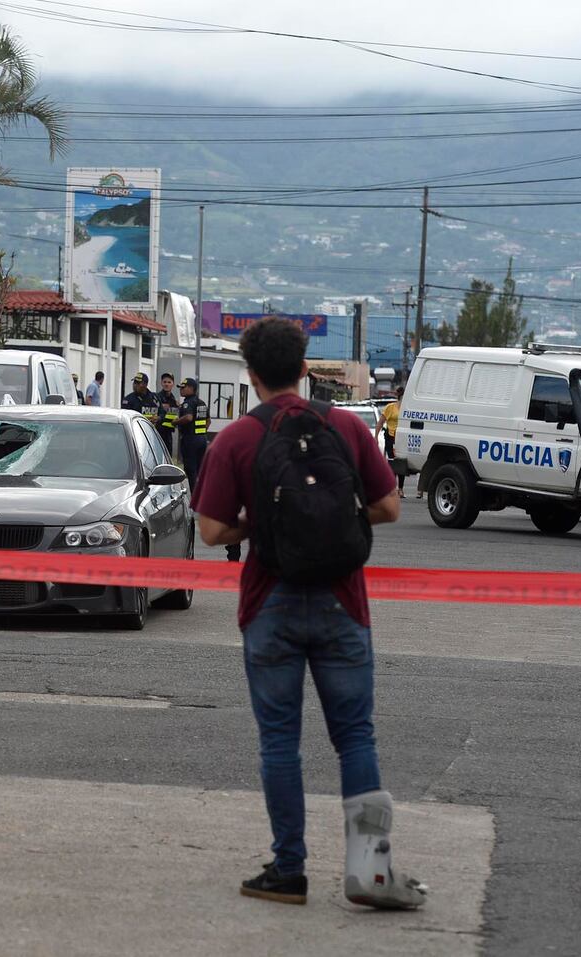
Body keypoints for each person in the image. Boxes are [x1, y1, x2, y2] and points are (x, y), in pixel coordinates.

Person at [192, 317, 426, 911]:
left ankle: (288, 869)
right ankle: (371, 872)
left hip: (269, 601)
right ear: (304, 368)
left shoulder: (236, 440)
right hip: (342, 601)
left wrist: (264, 524)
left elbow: (214, 528)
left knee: (280, 740)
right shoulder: (346, 426)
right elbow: (389, 507)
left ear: (249, 374)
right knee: (355, 737)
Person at [176, 378, 240, 562]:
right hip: (201, 439)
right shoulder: (202, 403)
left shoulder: (188, 403)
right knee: (200, 470)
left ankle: (196, 501)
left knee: (191, 470)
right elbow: (208, 421)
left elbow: (188, 418)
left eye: (183, 387)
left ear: (191, 389)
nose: (181, 390)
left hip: (190, 440)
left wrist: (175, 423)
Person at [375, 387, 415, 499]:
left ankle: (400, 489)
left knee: (401, 462)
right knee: (392, 461)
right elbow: (380, 423)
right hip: (390, 437)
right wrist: (376, 437)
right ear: (401, 397)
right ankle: (392, 488)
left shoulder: (407, 409)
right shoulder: (390, 408)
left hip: (402, 438)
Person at [155, 372, 179, 458]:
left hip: (168, 433)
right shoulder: (157, 397)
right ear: (161, 383)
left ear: (173, 384)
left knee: (168, 456)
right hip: (158, 432)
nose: (166, 384)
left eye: (169, 382)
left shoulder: (174, 400)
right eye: (164, 382)